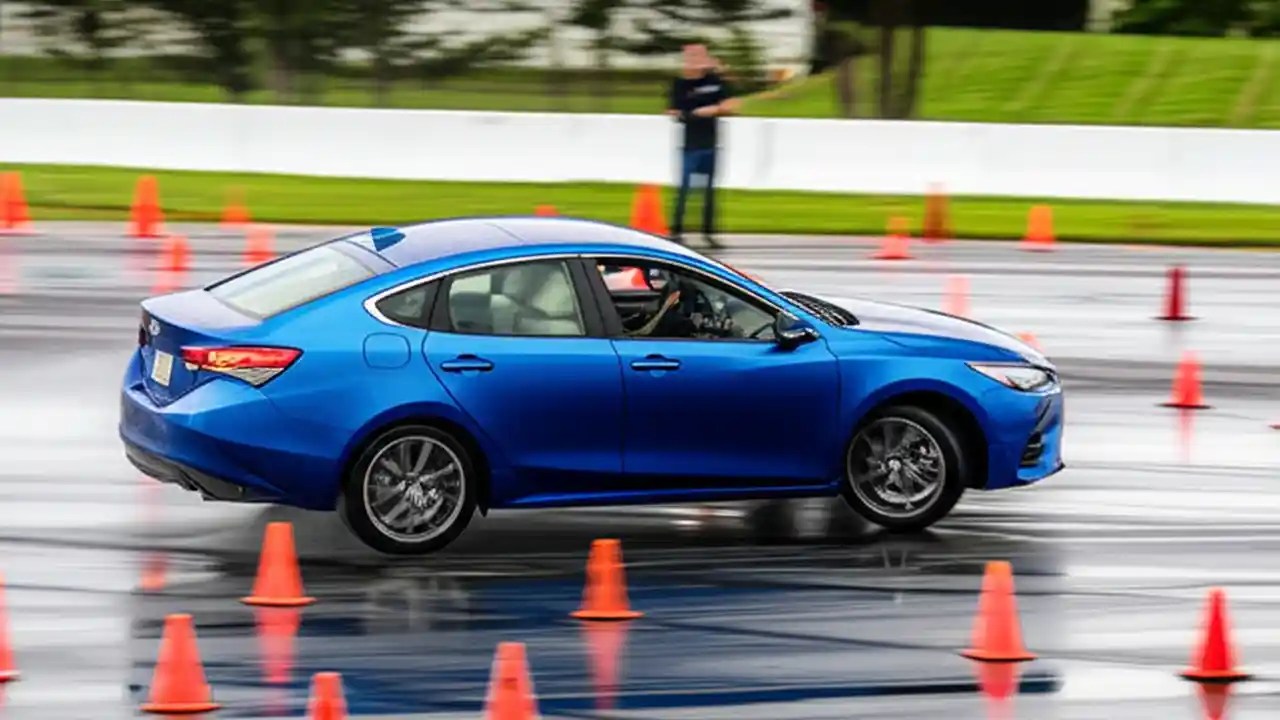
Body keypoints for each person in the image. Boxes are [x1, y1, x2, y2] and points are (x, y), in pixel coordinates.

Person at [667, 44, 738, 248]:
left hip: (711, 143)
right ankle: (676, 231)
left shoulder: (714, 81)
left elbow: (731, 105)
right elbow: (673, 111)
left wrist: (709, 110)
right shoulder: (680, 84)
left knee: (709, 192)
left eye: (700, 57)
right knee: (684, 190)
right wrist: (694, 114)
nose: (696, 61)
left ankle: (709, 233)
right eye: (692, 57)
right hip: (690, 144)